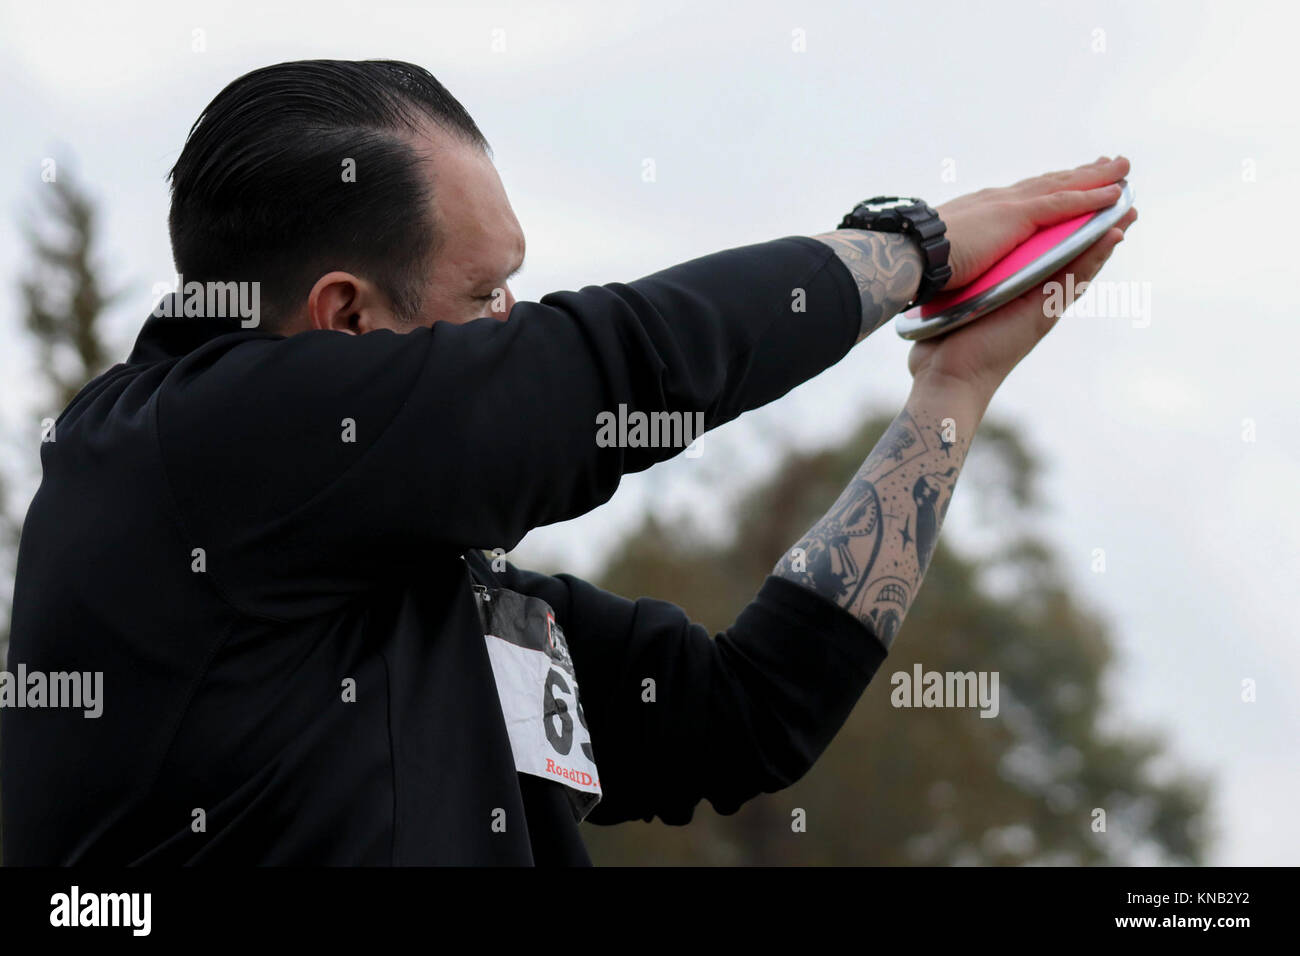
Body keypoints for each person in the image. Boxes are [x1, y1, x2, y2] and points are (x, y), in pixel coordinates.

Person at [0, 59, 1136, 865]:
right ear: (343, 318)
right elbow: (602, 374)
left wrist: (951, 392)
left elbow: (744, 715)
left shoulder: (442, 593)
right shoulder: (169, 459)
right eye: (486, 294)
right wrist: (913, 246)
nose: (517, 321)